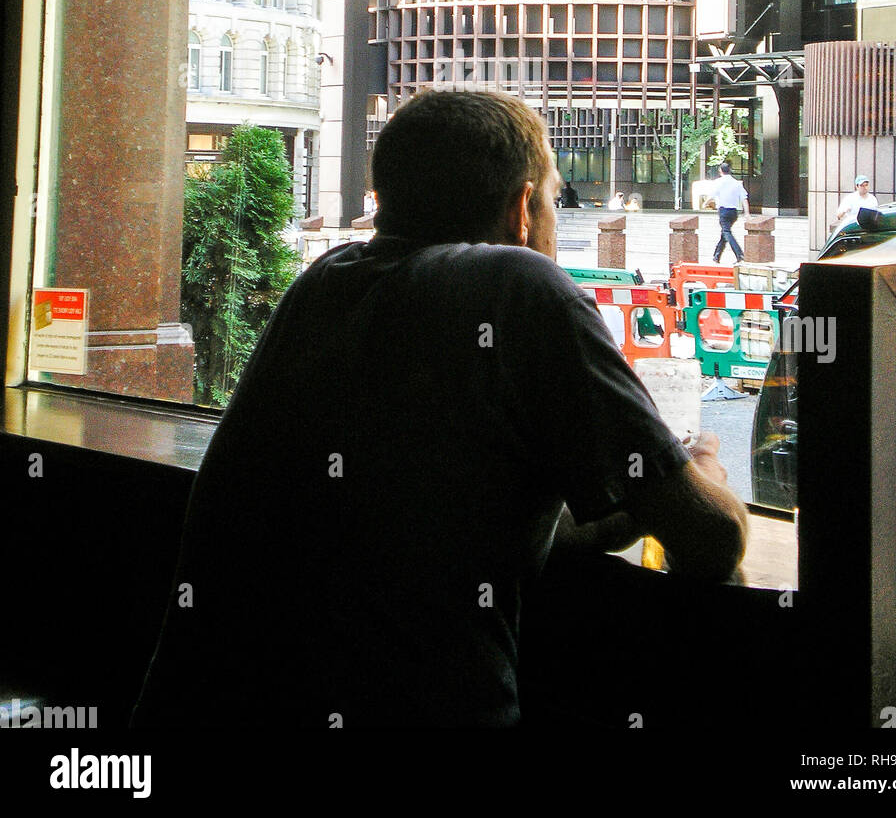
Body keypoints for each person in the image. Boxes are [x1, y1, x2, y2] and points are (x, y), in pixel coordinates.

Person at [132, 90, 746, 729]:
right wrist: (700, 472)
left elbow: (451, 519)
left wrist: (629, 506)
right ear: (520, 209)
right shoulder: (521, 287)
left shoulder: (322, 283)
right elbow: (711, 541)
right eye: (553, 201)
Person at [710, 160, 749, 263]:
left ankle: (739, 254)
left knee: (727, 232)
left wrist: (705, 203)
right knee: (724, 233)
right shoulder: (736, 183)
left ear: (720, 171)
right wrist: (747, 213)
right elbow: (744, 198)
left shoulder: (718, 182)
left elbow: (712, 195)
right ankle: (716, 256)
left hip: (723, 211)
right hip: (734, 212)